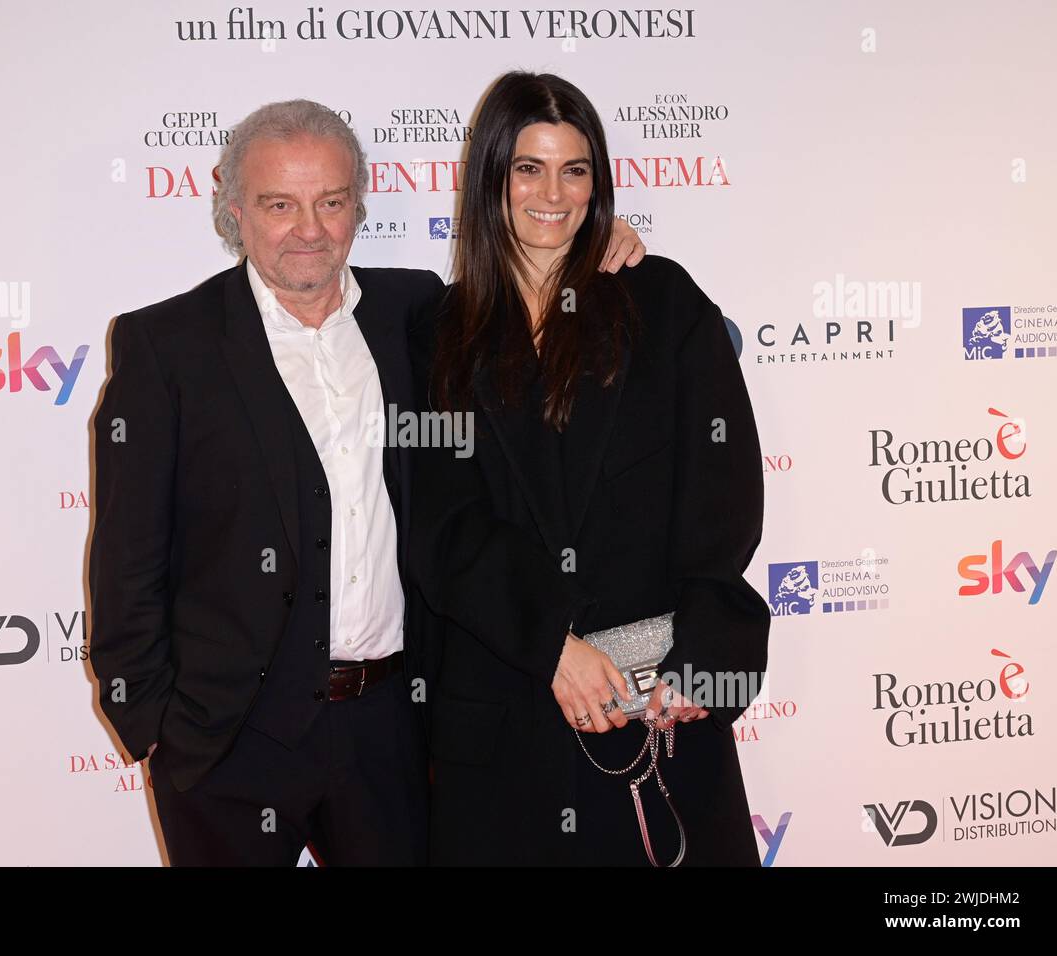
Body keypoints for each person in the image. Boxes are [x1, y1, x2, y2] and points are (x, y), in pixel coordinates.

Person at [87, 98, 646, 865]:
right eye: (278, 204)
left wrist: (592, 242)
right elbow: (127, 559)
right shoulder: (166, 345)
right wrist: (156, 726)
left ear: (359, 204)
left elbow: (529, 297)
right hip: (228, 741)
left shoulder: (417, 311)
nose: (309, 229)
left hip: (391, 727)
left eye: (331, 201)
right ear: (232, 204)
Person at [408, 71, 770, 866]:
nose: (553, 193)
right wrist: (553, 648)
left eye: (575, 169)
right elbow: (442, 525)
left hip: (657, 711)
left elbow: (723, 494)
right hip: (509, 710)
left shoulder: (663, 302)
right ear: (490, 181)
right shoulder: (439, 332)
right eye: (527, 169)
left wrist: (703, 664)